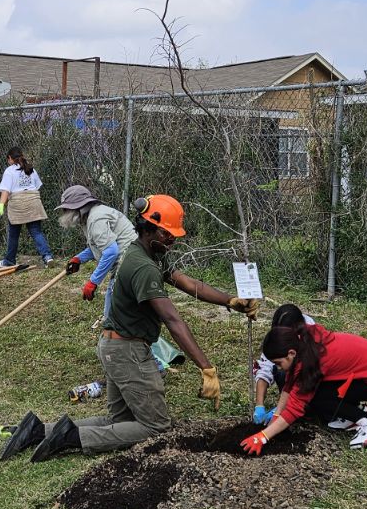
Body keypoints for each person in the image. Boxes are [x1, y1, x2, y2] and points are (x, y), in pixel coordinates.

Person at [18, 194, 260, 461]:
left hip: (115, 349)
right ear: (148, 228)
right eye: (167, 233)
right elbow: (172, 320)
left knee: (119, 421)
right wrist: (206, 367)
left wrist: (230, 301)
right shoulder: (142, 266)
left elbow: (189, 284)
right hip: (128, 352)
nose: (173, 239)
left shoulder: (148, 252)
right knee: (156, 427)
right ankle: (71, 438)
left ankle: (39, 430)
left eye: (174, 235)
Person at [240, 317, 367, 455]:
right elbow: (290, 383)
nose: (279, 368)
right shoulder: (303, 340)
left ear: (291, 354)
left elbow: (295, 408)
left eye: (278, 363)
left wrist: (263, 436)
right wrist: (276, 415)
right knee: (320, 394)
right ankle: (352, 412)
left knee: (315, 398)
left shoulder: (310, 364)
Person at [56, 184, 137, 313]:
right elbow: (100, 246)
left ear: (77, 207)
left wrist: (93, 282)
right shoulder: (90, 217)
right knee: (124, 315)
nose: (64, 213)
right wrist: (78, 259)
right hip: (130, 260)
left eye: (66, 209)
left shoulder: (96, 219)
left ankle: (112, 328)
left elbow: (111, 252)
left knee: (112, 315)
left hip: (129, 262)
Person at [251, 303, 317, 425]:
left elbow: (306, 379)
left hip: (313, 382)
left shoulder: (312, 340)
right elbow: (264, 367)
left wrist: (282, 411)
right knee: (281, 371)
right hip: (296, 379)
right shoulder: (278, 337)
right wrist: (259, 406)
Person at [0, 146, 53, 268]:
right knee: (36, 232)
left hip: (17, 205)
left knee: (14, 234)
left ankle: (9, 261)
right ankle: (48, 257)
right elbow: (37, 186)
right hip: (33, 202)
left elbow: (5, 190)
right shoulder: (31, 169)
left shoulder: (9, 171)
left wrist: (1, 205)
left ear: (10, 158)